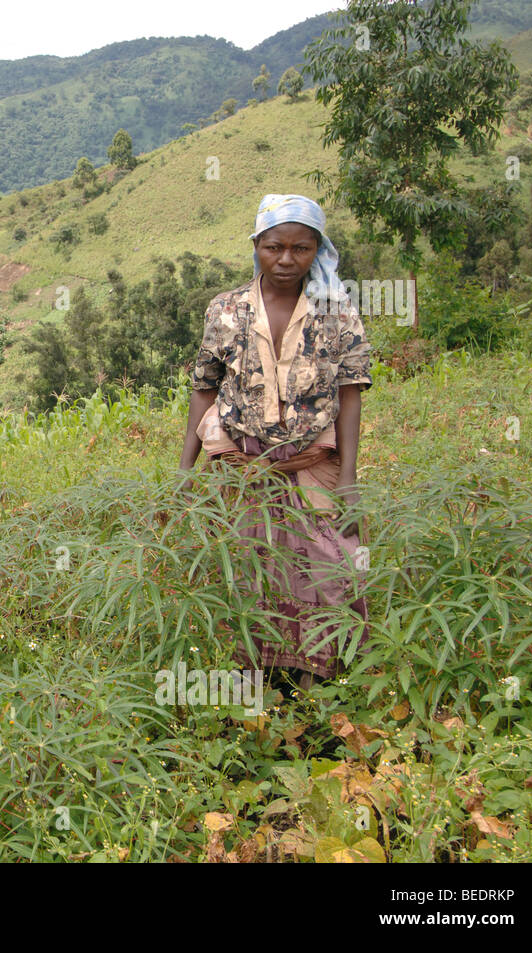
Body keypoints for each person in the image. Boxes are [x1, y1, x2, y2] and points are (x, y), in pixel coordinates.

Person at [179, 194, 371, 692]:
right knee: (245, 569)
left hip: (312, 464)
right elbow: (205, 389)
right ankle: (247, 689)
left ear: (317, 250)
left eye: (301, 249)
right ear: (257, 247)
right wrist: (184, 474)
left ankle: (314, 688)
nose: (286, 260)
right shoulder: (225, 310)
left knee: (331, 572)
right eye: (274, 247)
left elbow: (350, 396)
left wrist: (348, 478)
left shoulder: (337, 312)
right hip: (241, 467)